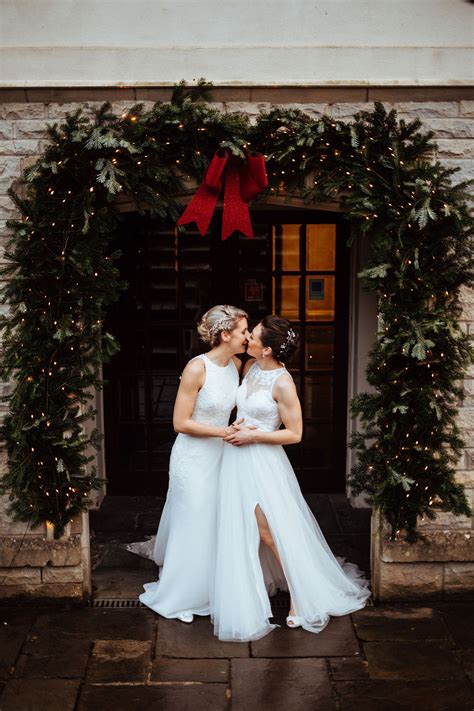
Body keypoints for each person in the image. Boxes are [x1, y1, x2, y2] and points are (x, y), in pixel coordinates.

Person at [211, 315, 371, 642]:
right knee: (244, 526)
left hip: (263, 461)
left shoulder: (283, 382)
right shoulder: (249, 368)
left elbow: (295, 434)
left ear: (267, 349)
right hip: (236, 460)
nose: (247, 340)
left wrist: (255, 436)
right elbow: (244, 410)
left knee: (268, 529)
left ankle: (301, 596)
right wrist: (239, 426)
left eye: (252, 337)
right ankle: (253, 585)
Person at [138, 304, 249, 623]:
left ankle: (211, 588)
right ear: (225, 334)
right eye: (243, 330)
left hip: (221, 453)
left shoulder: (236, 366)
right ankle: (183, 595)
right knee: (193, 518)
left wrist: (241, 425)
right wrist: (222, 431)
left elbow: (233, 408)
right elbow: (179, 422)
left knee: (214, 519)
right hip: (193, 455)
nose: (247, 335)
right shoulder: (197, 368)